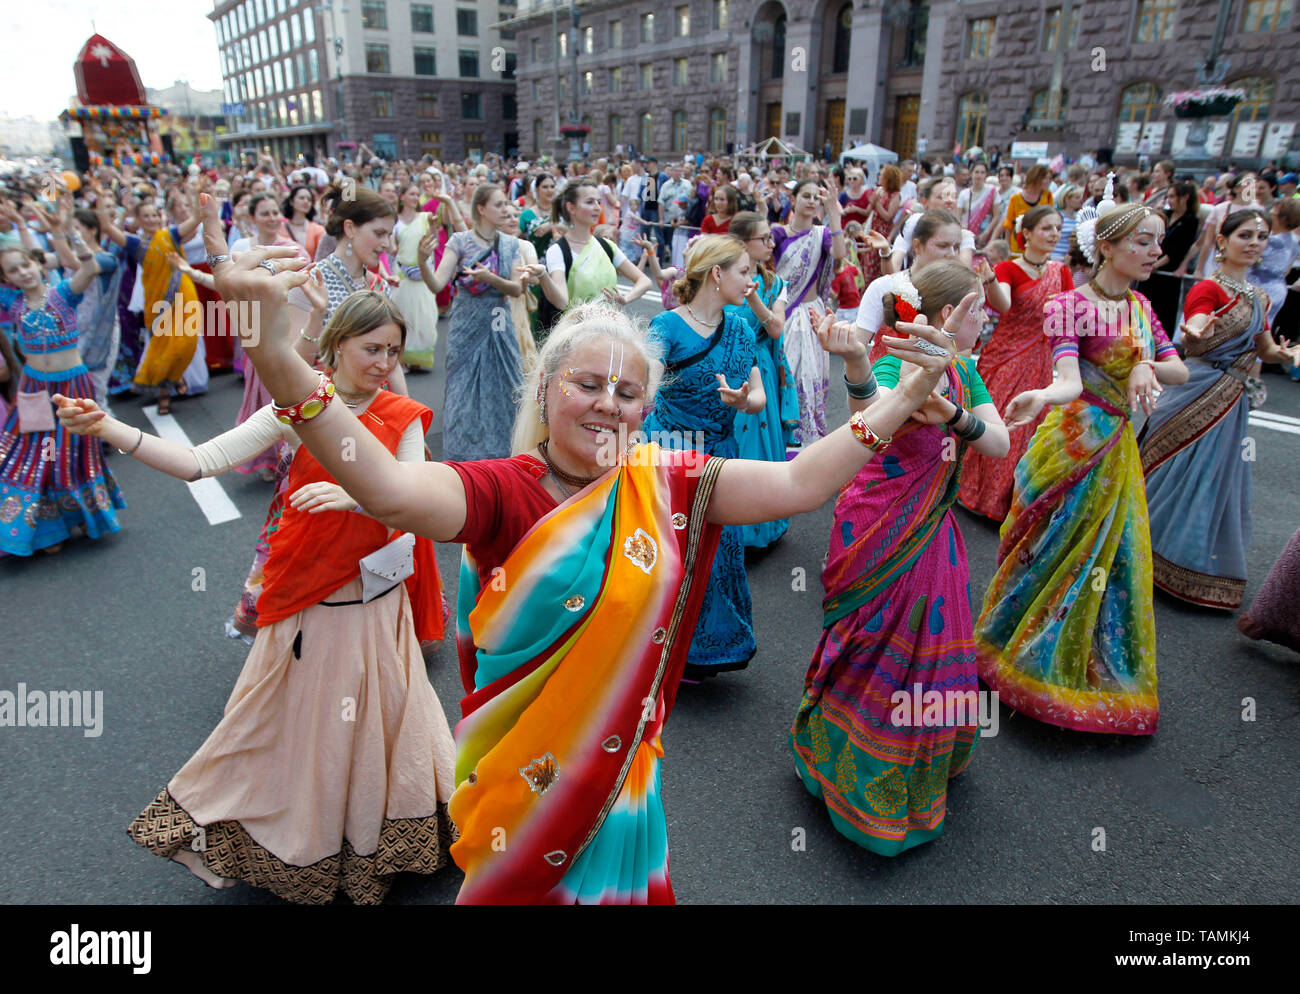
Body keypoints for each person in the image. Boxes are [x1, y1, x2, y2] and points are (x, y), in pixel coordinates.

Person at [195, 201, 961, 904]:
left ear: (647, 409)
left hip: (621, 786)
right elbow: (390, 488)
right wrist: (268, 346)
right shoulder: (504, 489)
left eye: (628, 394)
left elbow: (798, 481)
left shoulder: (672, 482)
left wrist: (897, 398)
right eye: (586, 384)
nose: (608, 405)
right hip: (517, 786)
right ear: (547, 389)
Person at [57, 290, 457, 904]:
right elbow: (198, 462)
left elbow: (413, 494)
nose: (384, 361)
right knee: (277, 722)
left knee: (393, 714)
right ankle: (246, 828)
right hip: (309, 597)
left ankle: (383, 832)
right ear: (336, 346)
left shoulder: (403, 413)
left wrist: (359, 497)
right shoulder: (301, 407)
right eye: (371, 348)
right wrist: (109, 426)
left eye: (393, 351)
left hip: (378, 600)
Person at [792, 261, 1008, 856]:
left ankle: (914, 764)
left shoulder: (966, 371)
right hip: (878, 522)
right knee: (874, 638)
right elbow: (871, 418)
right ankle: (854, 772)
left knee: (933, 642)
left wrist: (954, 416)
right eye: (977, 308)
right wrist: (861, 367)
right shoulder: (895, 361)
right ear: (946, 316)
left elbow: (1000, 442)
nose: (986, 317)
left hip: (932, 525)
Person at [976, 203, 1188, 735]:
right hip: (1073, 441)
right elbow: (1068, 379)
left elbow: (1179, 369)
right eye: (1143, 241)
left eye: (1157, 242)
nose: (1154, 252)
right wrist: (1042, 394)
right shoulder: (1071, 306)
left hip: (1117, 448)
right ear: (1108, 246)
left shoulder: (1142, 305)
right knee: (1051, 548)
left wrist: (1145, 363)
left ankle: (1088, 650)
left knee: (1113, 558)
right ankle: (1020, 652)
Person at [1140, 209, 1299, 610]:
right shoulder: (1209, 289)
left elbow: (1265, 350)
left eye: (1262, 237)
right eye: (1245, 235)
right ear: (1223, 241)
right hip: (1195, 389)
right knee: (1169, 471)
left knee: (1215, 478)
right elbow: (1193, 326)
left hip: (1232, 398)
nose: (1254, 243)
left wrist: (1286, 354)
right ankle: (1139, 554)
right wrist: (1195, 329)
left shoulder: (1259, 298)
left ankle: (1190, 563)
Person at [644, 235, 765, 678]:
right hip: (672, 456)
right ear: (717, 273)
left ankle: (709, 649)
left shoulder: (740, 325)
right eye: (744, 271)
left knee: (719, 552)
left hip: (720, 454)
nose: (751, 281)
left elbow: (759, 397)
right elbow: (647, 390)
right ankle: (665, 649)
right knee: (675, 553)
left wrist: (742, 402)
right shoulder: (666, 327)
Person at [0, 234, 126, 556]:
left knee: (75, 451)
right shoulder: (11, 303)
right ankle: (48, 527)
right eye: (13, 270)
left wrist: (63, 230)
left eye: (25, 264)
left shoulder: (63, 294)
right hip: (34, 390)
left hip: (72, 387)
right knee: (42, 453)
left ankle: (82, 516)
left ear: (38, 263)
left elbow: (88, 268)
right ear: (6, 279)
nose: (23, 272)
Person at [959, 204, 1073, 520]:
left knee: (1030, 429)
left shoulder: (1060, 271)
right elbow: (1004, 305)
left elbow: (1071, 315)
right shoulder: (1009, 268)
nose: (1054, 234)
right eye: (1046, 228)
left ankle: (1015, 501)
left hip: (1041, 359)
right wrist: (992, 281)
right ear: (1026, 234)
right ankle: (979, 495)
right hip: (1007, 359)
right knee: (999, 422)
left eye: (1057, 229)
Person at [419, 183, 525, 461]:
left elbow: (516, 289)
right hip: (466, 325)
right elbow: (437, 283)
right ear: (481, 209)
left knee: (506, 387)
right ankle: (461, 460)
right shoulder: (460, 241)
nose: (506, 210)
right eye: (499, 205)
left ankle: (506, 456)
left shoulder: (510, 244)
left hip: (500, 325)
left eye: (506, 204)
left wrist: (491, 279)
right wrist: (422, 261)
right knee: (462, 391)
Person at [97, 186, 203, 415]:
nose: (151, 219)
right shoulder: (136, 244)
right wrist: (101, 197)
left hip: (183, 294)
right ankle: (166, 393)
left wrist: (196, 193)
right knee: (163, 347)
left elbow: (196, 219)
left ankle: (175, 377)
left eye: (155, 215)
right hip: (156, 301)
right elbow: (106, 227)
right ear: (137, 219)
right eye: (145, 216)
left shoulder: (171, 234)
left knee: (185, 343)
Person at [727, 212, 797, 549]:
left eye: (771, 238)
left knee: (759, 448)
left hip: (760, 367)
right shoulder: (721, 276)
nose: (771, 244)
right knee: (728, 446)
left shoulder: (774, 284)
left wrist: (753, 297)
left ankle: (758, 529)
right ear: (742, 244)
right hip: (725, 365)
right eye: (764, 239)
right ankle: (727, 526)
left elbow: (775, 329)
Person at [773, 177, 847, 444]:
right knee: (785, 375)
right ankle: (782, 436)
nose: (812, 201)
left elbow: (840, 253)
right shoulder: (778, 234)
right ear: (793, 199)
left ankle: (806, 441)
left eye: (817, 197)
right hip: (782, 312)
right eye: (806, 195)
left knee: (808, 377)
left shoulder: (821, 235)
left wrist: (832, 212)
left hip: (810, 315)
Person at [537, 182, 652, 336]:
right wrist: (543, 275)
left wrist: (625, 298)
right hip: (576, 336)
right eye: (590, 202)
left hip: (610, 331)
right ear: (571, 208)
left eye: (598, 202)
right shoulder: (558, 251)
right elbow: (562, 302)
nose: (598, 207)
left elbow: (645, 281)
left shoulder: (607, 246)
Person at [392, 181, 462, 371]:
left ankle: (419, 358)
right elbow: (392, 247)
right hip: (402, 273)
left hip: (423, 273)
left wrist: (433, 226)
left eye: (417, 194)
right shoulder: (395, 220)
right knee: (403, 317)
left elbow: (435, 240)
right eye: (411, 194)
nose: (415, 198)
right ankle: (403, 358)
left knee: (426, 318)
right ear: (402, 197)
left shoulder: (425, 217)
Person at [1136, 180, 1200, 336]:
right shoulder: (1166, 216)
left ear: (1185, 197)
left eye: (1173, 196)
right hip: (1151, 271)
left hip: (1167, 276)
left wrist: (1154, 265)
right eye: (1168, 196)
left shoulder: (1190, 221)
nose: (1169, 200)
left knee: (1162, 316)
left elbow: (1176, 252)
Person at [1185, 172, 1256, 281]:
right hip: (1218, 260)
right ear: (1236, 188)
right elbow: (1207, 242)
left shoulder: (1259, 211)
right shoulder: (1220, 209)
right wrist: (1199, 268)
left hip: (1244, 264)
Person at [1002, 165, 1053, 257]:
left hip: (1039, 247)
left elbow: (1051, 223)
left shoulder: (1048, 196)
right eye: (1045, 178)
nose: (1048, 181)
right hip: (1017, 248)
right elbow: (1009, 225)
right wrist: (1007, 247)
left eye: (1050, 178)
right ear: (1036, 177)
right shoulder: (1016, 198)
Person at [959, 160, 998, 247]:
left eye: (982, 172)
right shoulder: (964, 194)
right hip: (966, 235)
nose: (979, 175)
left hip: (985, 235)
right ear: (971, 173)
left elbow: (996, 216)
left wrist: (986, 233)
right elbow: (958, 216)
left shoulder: (992, 191)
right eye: (976, 172)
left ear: (986, 174)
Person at [281, 184, 325, 261]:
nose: (306, 201)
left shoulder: (318, 230)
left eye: (309, 199)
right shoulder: (280, 228)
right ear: (291, 201)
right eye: (301, 198)